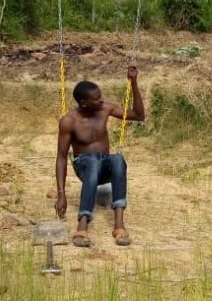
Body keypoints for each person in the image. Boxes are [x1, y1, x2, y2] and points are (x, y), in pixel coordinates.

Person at [55, 66, 145, 247]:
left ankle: (119, 225)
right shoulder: (69, 121)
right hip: (84, 166)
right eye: (96, 99)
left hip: (104, 165)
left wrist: (133, 83)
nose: (101, 100)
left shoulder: (104, 109)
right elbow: (62, 157)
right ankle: (83, 224)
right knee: (93, 161)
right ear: (83, 103)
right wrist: (61, 194)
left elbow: (138, 116)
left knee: (118, 159)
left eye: (101, 96)